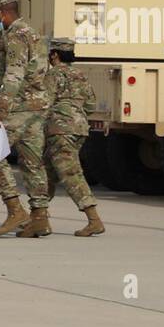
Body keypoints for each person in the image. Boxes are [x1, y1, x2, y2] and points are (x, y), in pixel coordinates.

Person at [0, 0, 52, 237]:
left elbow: (14, 73)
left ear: (3, 13)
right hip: (37, 107)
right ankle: (40, 217)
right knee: (33, 163)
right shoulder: (33, 34)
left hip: (18, 107)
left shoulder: (14, 36)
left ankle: (15, 211)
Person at [42, 38, 104, 236]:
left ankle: (94, 220)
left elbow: (45, 102)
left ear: (55, 55)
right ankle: (38, 216)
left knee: (70, 174)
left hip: (60, 129)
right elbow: (90, 105)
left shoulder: (53, 74)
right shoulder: (80, 75)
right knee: (46, 173)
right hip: (79, 128)